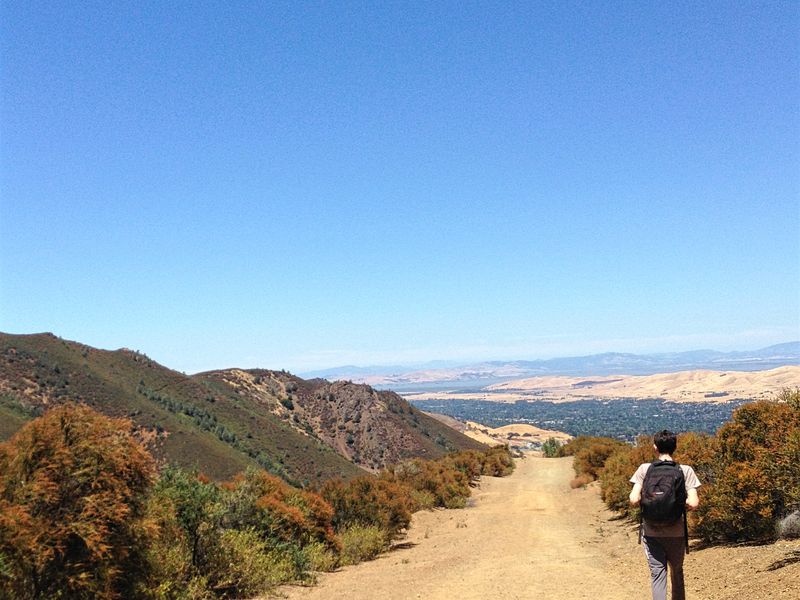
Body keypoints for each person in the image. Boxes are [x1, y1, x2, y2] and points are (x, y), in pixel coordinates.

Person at [629, 430, 701, 600]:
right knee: (677, 572)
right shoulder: (685, 470)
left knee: (657, 574)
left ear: (655, 447)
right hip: (676, 533)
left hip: (651, 532)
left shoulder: (644, 469)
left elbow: (633, 499)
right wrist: (676, 504)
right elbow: (693, 503)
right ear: (675, 447)